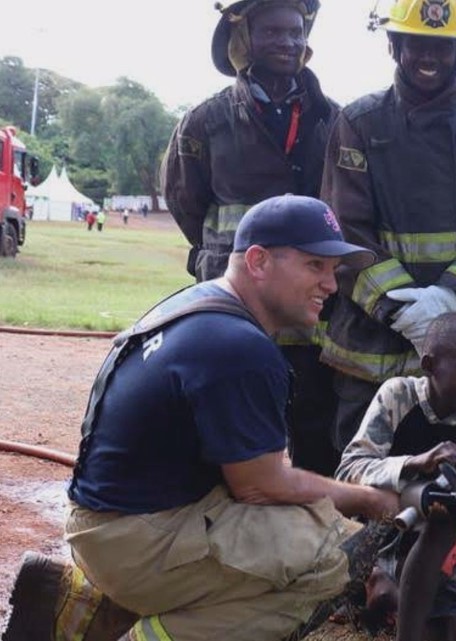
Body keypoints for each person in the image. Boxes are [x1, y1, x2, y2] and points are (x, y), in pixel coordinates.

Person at [2, 195, 400, 641]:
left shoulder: (201, 306)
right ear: (258, 261)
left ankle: (78, 611)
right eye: (314, 266)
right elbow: (261, 485)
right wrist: (369, 498)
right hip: (132, 541)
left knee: (317, 525)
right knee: (337, 556)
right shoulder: (239, 347)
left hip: (114, 524)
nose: (331, 284)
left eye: (333, 270)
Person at [321, 1, 456, 632]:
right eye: (415, 43)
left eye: (440, 47)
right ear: (394, 46)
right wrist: (396, 306)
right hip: (374, 329)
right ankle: (363, 585)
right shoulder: (358, 122)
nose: (427, 57)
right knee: (362, 450)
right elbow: (345, 226)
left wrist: (447, 300)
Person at [162, 0, 344, 475]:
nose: (288, 42)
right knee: (231, 402)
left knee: (311, 412)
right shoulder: (206, 122)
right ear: (245, 41)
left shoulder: (335, 120)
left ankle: (314, 525)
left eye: (296, 32)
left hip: (310, 299)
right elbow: (185, 200)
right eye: (274, 32)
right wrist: (224, 253)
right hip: (238, 293)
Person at [336, 312, 456, 641]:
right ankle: (373, 581)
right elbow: (349, 469)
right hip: (381, 529)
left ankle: (398, 590)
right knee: (410, 619)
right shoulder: (398, 396)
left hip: (446, 545)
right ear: (429, 366)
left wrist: (441, 571)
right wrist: (416, 463)